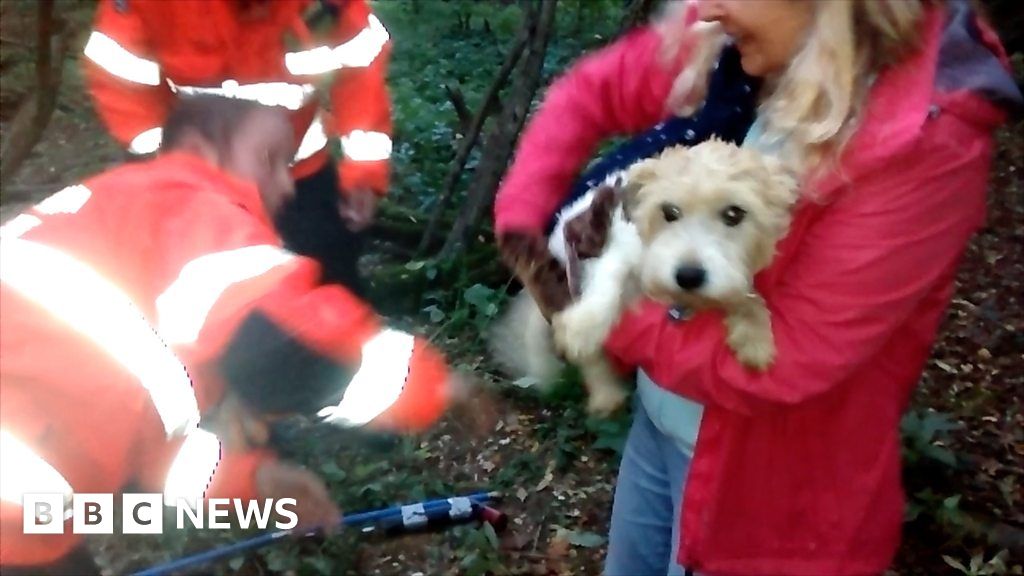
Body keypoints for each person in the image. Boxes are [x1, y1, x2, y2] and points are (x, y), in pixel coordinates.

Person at [494, 0, 1021, 574]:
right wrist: (525, 215)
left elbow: (788, 360)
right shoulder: (743, 40)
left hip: (765, 495)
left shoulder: (926, 139)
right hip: (662, 424)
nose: (706, 6)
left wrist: (607, 312)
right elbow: (591, 91)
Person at [0, 96, 461, 575]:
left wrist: (255, 481)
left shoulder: (124, 236)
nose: (285, 185)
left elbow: (146, 454)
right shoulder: (182, 199)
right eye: (268, 160)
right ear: (199, 150)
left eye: (290, 165)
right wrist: (436, 389)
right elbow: (284, 349)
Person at [82, 0, 393, 291]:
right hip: (201, 184)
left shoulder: (326, 6)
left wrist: (363, 172)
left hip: (299, 174)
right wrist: (166, 164)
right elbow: (119, 76)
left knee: (328, 279)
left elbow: (360, 70)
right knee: (203, 290)